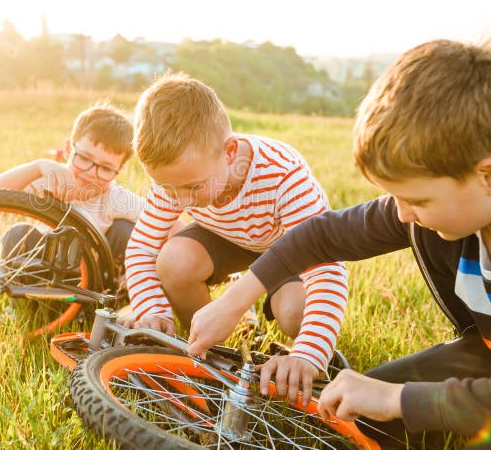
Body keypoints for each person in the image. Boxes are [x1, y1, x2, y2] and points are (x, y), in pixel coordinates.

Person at [187, 38, 491, 448]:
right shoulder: (458, 196)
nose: (403, 215)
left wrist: (398, 398)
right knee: (355, 413)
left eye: (417, 200)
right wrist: (235, 301)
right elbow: (322, 235)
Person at [122, 72, 349, 404]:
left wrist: (310, 352)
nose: (181, 201)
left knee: (294, 312)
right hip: (225, 237)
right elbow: (142, 246)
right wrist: (151, 307)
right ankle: (210, 352)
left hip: (286, 246)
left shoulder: (283, 176)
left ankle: (296, 349)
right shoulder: (179, 180)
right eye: (169, 189)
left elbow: (327, 270)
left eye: (192, 187)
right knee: (174, 261)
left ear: (229, 151)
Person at [0, 102, 148, 276]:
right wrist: (37, 167)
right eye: (84, 158)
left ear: (119, 170)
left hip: (93, 278)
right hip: (43, 270)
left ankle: (120, 287)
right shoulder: (50, 181)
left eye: (105, 168)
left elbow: (166, 223)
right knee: (17, 233)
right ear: (68, 149)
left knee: (125, 230)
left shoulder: (115, 197)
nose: (91, 173)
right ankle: (16, 291)